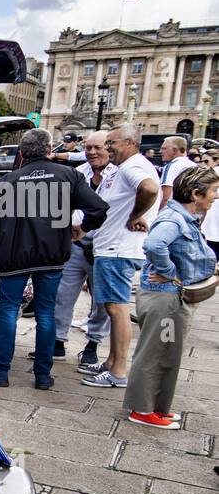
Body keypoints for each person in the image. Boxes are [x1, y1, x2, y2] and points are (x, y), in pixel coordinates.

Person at [0, 128, 107, 390]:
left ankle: (1, 371)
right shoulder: (68, 176)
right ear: (48, 150)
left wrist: (6, 234)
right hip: (52, 255)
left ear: (22, 153)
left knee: (9, 310)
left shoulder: (8, 181)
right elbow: (99, 208)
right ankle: (43, 375)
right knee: (46, 312)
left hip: (15, 255)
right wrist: (82, 228)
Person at [123, 165, 218, 428]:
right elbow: (154, 245)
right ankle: (142, 410)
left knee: (167, 353)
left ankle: (156, 407)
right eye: (213, 190)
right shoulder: (174, 219)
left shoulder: (182, 217)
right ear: (196, 194)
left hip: (170, 298)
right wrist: (169, 273)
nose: (215, 196)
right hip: (165, 299)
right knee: (157, 353)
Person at [82, 124, 160, 389]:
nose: (107, 148)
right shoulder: (124, 168)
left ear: (130, 143)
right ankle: (111, 361)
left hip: (117, 249)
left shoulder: (131, 167)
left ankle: (117, 370)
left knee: (117, 308)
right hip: (113, 248)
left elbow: (150, 189)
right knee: (112, 307)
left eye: (111, 143)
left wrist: (136, 215)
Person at [45, 130, 114, 368]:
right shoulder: (78, 173)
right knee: (62, 294)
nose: (92, 152)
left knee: (101, 302)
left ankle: (92, 344)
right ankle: (58, 341)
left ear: (109, 148)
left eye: (98, 147)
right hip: (75, 243)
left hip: (104, 246)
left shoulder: (119, 175)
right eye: (88, 148)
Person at [158, 136, 190, 206]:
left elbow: (165, 197)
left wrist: (160, 211)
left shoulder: (171, 166)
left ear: (175, 150)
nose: (160, 151)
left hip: (174, 209)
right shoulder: (194, 165)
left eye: (164, 148)